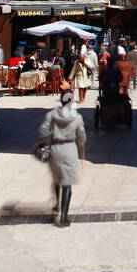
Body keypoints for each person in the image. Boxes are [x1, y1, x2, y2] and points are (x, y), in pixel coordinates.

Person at [38, 82, 87, 227]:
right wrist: (82, 154)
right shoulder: (77, 117)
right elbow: (81, 137)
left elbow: (43, 131)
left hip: (55, 148)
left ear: (61, 100)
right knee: (67, 184)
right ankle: (63, 217)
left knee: (57, 179)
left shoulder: (51, 115)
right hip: (69, 149)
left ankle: (56, 207)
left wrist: (46, 142)